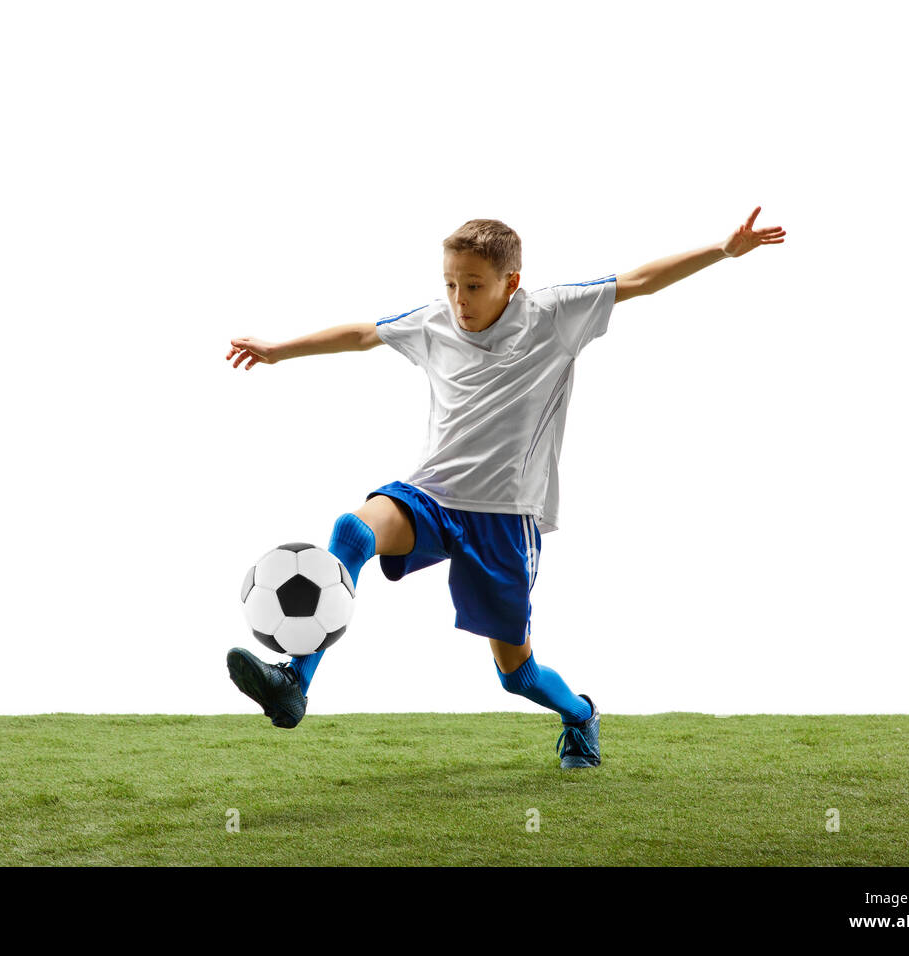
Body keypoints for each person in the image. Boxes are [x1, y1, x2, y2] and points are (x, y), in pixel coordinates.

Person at [224, 208, 785, 768]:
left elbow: (638, 282)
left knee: (516, 676)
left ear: (510, 282)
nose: (458, 299)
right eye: (449, 284)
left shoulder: (554, 316)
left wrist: (723, 250)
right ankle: (295, 681)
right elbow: (365, 334)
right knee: (352, 528)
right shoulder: (434, 323)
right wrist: (278, 350)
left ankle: (580, 715)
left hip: (503, 520)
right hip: (431, 498)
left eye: (472, 285)